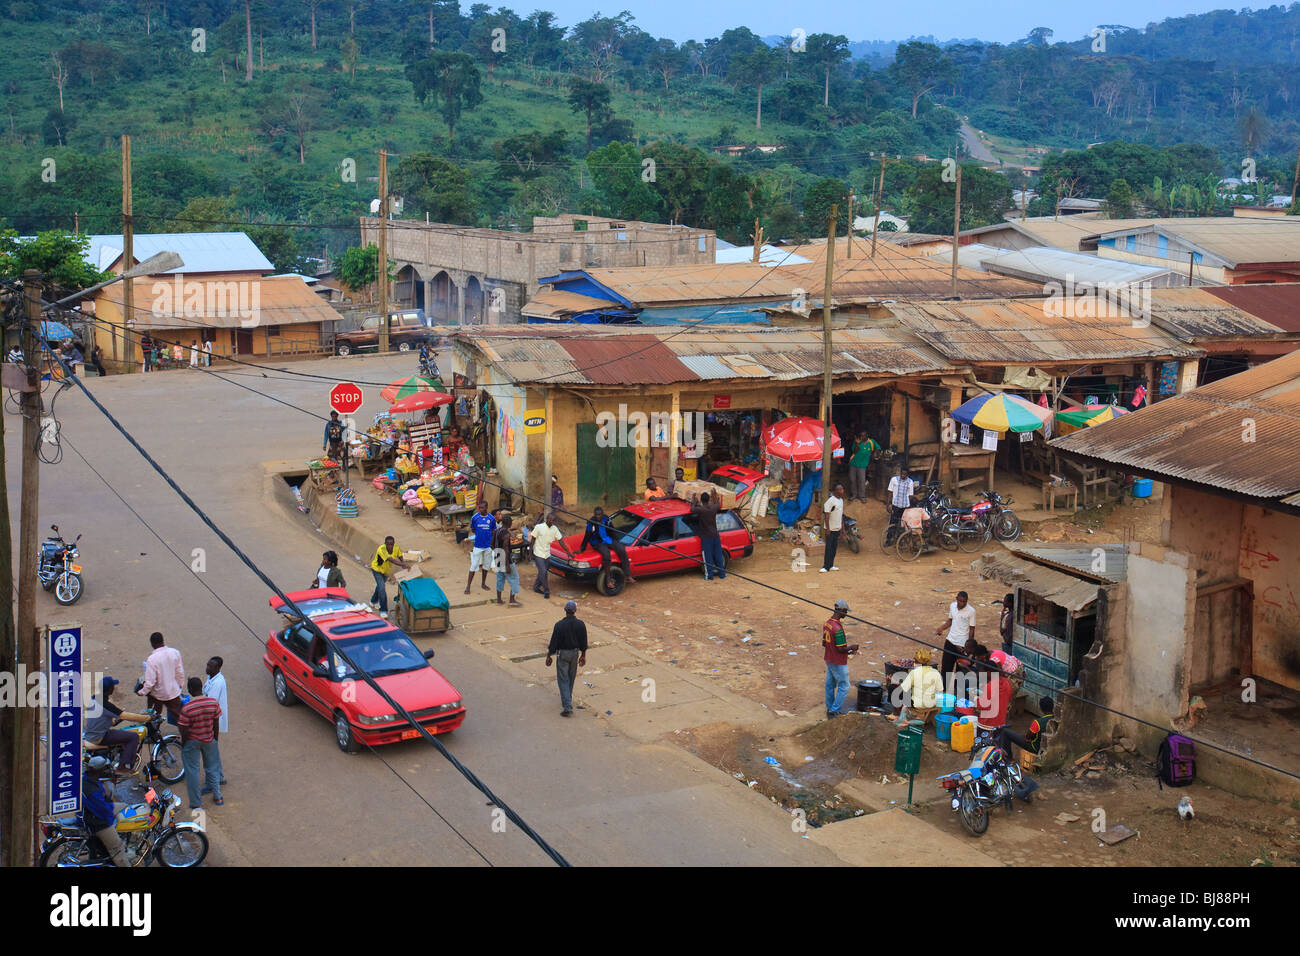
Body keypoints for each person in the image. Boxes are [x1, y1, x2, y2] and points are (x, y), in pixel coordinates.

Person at [84, 676, 151, 773]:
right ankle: (122, 767)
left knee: (121, 734)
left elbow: (103, 718)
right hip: (100, 737)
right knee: (133, 737)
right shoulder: (105, 705)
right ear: (109, 690)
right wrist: (148, 718)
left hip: (91, 734)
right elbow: (126, 716)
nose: (114, 688)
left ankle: (121, 756)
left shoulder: (94, 699)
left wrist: (116, 720)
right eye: (113, 687)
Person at [178, 676, 223, 810]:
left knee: (192, 771)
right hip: (209, 739)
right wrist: (215, 738)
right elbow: (216, 722)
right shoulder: (212, 702)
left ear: (190, 690)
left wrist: (184, 743)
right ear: (201, 687)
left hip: (193, 741)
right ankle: (218, 796)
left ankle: (196, 803)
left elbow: (184, 730)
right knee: (213, 768)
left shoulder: (187, 708)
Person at [80, 760, 128, 866]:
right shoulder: (93, 792)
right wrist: (111, 824)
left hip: (90, 812)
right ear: (99, 770)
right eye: (104, 768)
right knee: (117, 848)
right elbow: (105, 812)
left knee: (125, 807)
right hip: (98, 822)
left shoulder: (86, 778)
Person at [545, 600, 587, 716]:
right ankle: (567, 699)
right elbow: (584, 642)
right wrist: (583, 655)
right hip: (574, 654)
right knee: (571, 677)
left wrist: (549, 655)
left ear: (565, 610)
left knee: (563, 679)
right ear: (575, 611)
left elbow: (553, 642)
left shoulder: (559, 625)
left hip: (563, 654)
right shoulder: (580, 624)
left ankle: (567, 706)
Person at [137, 631, 185, 724]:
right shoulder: (175, 652)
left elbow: (150, 682)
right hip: (173, 692)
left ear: (152, 643)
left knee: (153, 716)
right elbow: (180, 672)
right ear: (163, 641)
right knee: (180, 718)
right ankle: (187, 734)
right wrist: (179, 686)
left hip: (158, 695)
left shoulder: (152, 659)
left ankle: (153, 733)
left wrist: (142, 692)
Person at [823, 599, 860, 718]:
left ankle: (829, 707)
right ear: (842, 610)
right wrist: (852, 648)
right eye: (846, 611)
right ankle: (834, 710)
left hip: (828, 658)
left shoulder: (827, 623)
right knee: (844, 686)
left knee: (830, 684)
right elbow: (841, 649)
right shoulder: (837, 629)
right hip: (838, 661)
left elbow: (824, 643)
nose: (846, 614)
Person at [581, 506, 637, 583]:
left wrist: (617, 541)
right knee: (606, 555)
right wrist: (582, 548)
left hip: (607, 539)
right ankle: (608, 578)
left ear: (602, 514)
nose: (598, 516)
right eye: (596, 515)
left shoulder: (606, 519)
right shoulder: (591, 522)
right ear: (594, 514)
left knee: (621, 549)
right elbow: (587, 535)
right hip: (597, 542)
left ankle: (628, 575)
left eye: (600, 514)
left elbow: (612, 530)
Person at [894, 648, 943, 728]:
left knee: (904, 694)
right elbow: (940, 691)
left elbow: (903, 688)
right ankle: (915, 719)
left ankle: (903, 719)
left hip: (918, 704)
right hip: (932, 703)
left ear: (917, 662)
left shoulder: (914, 672)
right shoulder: (936, 673)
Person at [936, 591, 977, 680]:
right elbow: (950, 621)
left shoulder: (971, 611)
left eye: (964, 602)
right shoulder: (952, 606)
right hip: (950, 641)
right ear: (956, 599)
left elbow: (972, 629)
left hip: (962, 645)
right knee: (946, 669)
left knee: (960, 672)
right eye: (960, 601)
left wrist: (969, 648)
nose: (962, 603)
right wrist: (941, 628)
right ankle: (944, 690)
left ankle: (957, 691)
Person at [202, 657, 229, 790]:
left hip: (213, 721)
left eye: (210, 666)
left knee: (211, 752)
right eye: (207, 664)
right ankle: (220, 776)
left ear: (217, 668)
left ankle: (215, 781)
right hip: (212, 719)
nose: (207, 668)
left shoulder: (218, 682)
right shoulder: (211, 678)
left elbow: (209, 704)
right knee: (213, 751)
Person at [369, 536, 409, 617]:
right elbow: (392, 560)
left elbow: (400, 555)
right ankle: (383, 610)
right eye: (388, 544)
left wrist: (403, 562)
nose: (390, 546)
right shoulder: (382, 549)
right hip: (377, 570)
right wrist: (403, 564)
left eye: (392, 544)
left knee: (380, 586)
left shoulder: (396, 548)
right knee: (382, 588)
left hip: (386, 571)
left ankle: (373, 601)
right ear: (385, 544)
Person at [690, 492, 725, 581]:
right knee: (718, 555)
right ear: (709, 500)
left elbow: (692, 509)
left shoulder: (701, 509)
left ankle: (709, 576)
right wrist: (714, 496)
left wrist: (694, 501)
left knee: (707, 557)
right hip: (715, 536)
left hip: (706, 537)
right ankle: (722, 574)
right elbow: (718, 504)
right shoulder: (713, 508)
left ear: (701, 500)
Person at [529, 509, 563, 599]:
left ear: (554, 521)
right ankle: (546, 590)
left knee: (543, 572)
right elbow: (532, 540)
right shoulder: (539, 527)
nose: (550, 521)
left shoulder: (554, 529)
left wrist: (568, 552)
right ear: (546, 519)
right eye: (549, 519)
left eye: (552, 520)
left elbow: (561, 541)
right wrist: (530, 553)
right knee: (543, 572)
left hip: (547, 554)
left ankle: (536, 587)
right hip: (538, 553)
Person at [465, 500, 497, 594]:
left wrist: (491, 543)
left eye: (483, 508)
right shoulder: (475, 517)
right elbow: (473, 529)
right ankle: (468, 586)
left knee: (486, 566)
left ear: (487, 507)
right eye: (480, 508)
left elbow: (494, 531)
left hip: (488, 546)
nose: (480, 510)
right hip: (478, 546)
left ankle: (483, 583)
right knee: (474, 565)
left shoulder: (491, 518)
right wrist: (480, 536)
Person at [976, 658, 1012, 734]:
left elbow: (982, 706)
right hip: (1001, 722)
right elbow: (1008, 698)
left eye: (983, 673)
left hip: (987, 724)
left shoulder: (989, 686)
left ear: (989, 672)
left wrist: (976, 699)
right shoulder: (1006, 682)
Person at [494, 515, 523, 606]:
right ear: (509, 523)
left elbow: (491, 544)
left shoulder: (497, 531)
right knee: (514, 578)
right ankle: (512, 600)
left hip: (497, 556)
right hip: (505, 558)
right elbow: (506, 549)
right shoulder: (506, 534)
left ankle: (499, 600)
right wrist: (507, 565)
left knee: (500, 578)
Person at [886, 467, 917, 544]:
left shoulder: (910, 482)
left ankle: (900, 540)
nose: (903, 475)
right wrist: (888, 504)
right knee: (892, 522)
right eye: (902, 474)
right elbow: (890, 492)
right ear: (900, 473)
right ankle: (889, 539)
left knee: (902, 524)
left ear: (907, 475)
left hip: (905, 506)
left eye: (905, 474)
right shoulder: (894, 480)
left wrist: (908, 507)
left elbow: (910, 495)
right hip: (895, 505)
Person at [849, 431, 880, 502]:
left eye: (863, 436)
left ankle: (862, 496)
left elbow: (878, 448)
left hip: (863, 465)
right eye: (861, 436)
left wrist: (875, 453)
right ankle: (854, 495)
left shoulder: (871, 442)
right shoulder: (858, 442)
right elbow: (855, 451)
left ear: (867, 436)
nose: (862, 437)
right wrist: (857, 443)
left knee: (862, 480)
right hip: (853, 463)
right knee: (852, 480)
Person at [821, 482, 845, 572]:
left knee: (834, 547)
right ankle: (825, 566)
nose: (842, 491)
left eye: (842, 489)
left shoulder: (841, 501)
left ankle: (831, 565)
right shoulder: (830, 501)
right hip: (830, 529)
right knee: (828, 548)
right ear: (835, 491)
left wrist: (843, 529)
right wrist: (827, 529)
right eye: (840, 489)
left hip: (837, 528)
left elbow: (841, 515)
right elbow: (827, 515)